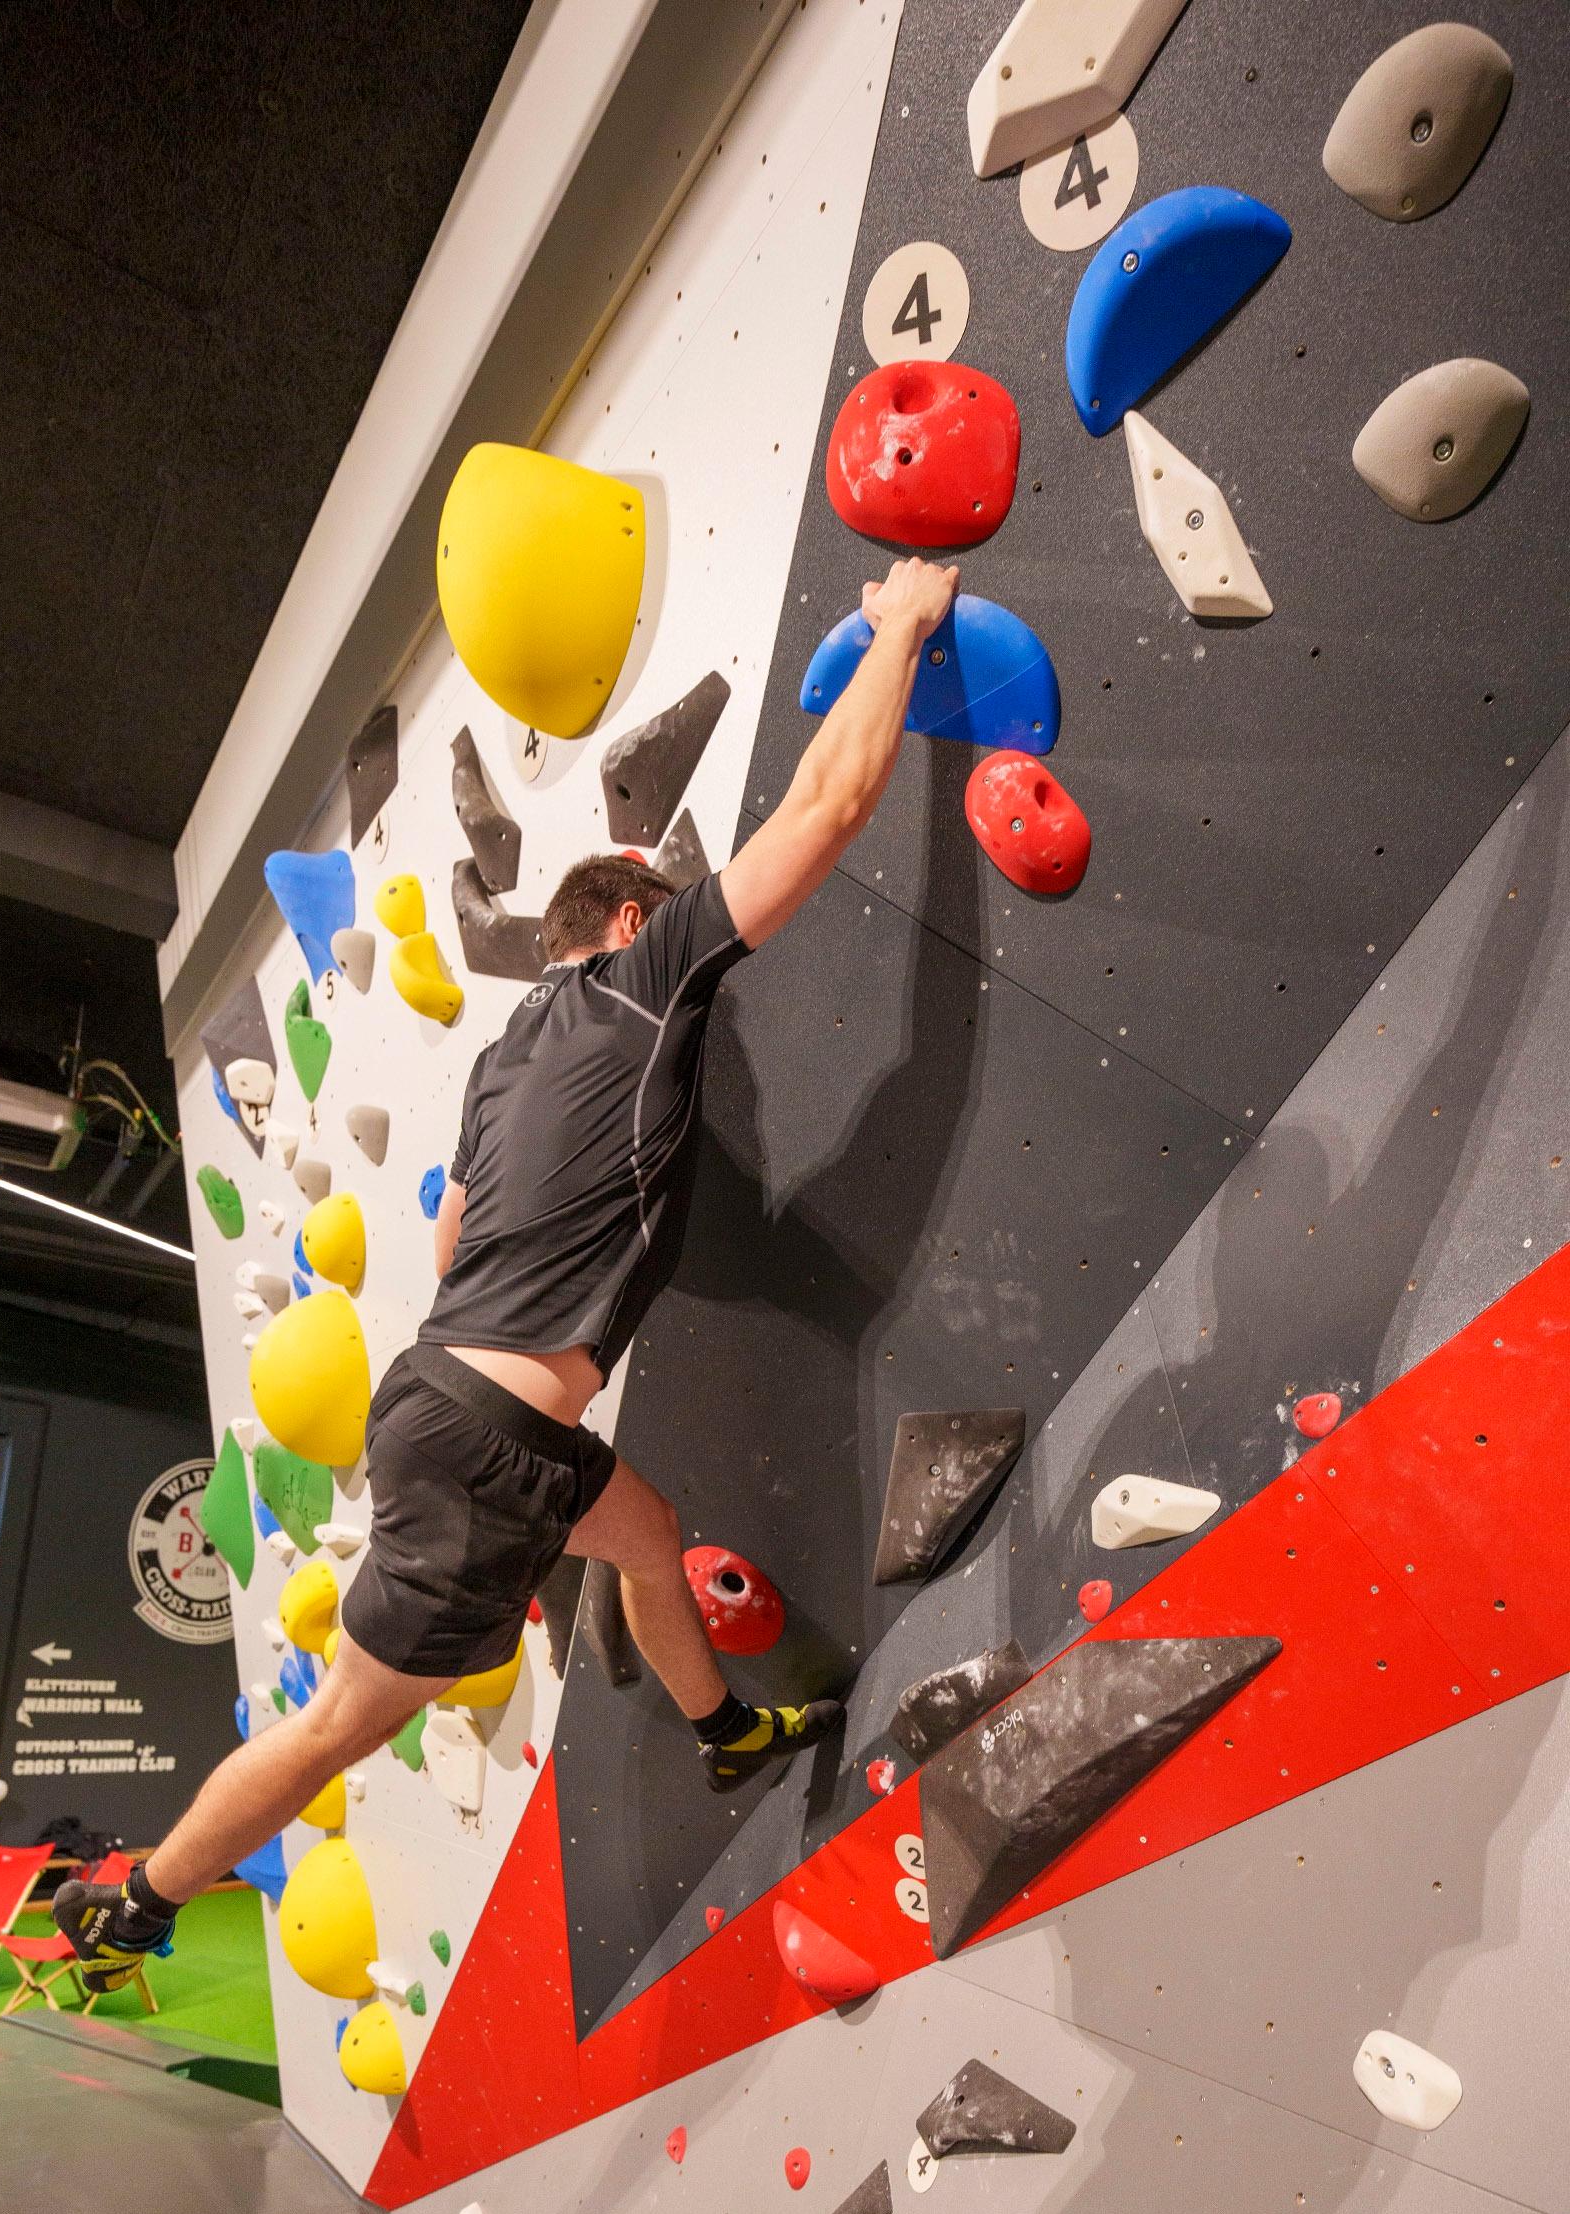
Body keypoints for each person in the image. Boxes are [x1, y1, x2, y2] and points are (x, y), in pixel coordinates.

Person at [55, 554, 960, 1995]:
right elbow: (826, 808)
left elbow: (452, 1242)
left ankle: (725, 1733)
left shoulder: (501, 1059)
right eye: (665, 914)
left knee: (646, 1536)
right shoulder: (642, 977)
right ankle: (141, 1899)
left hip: (471, 1415)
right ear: (629, 922)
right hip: (487, 1443)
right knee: (341, 1723)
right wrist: (902, 624)